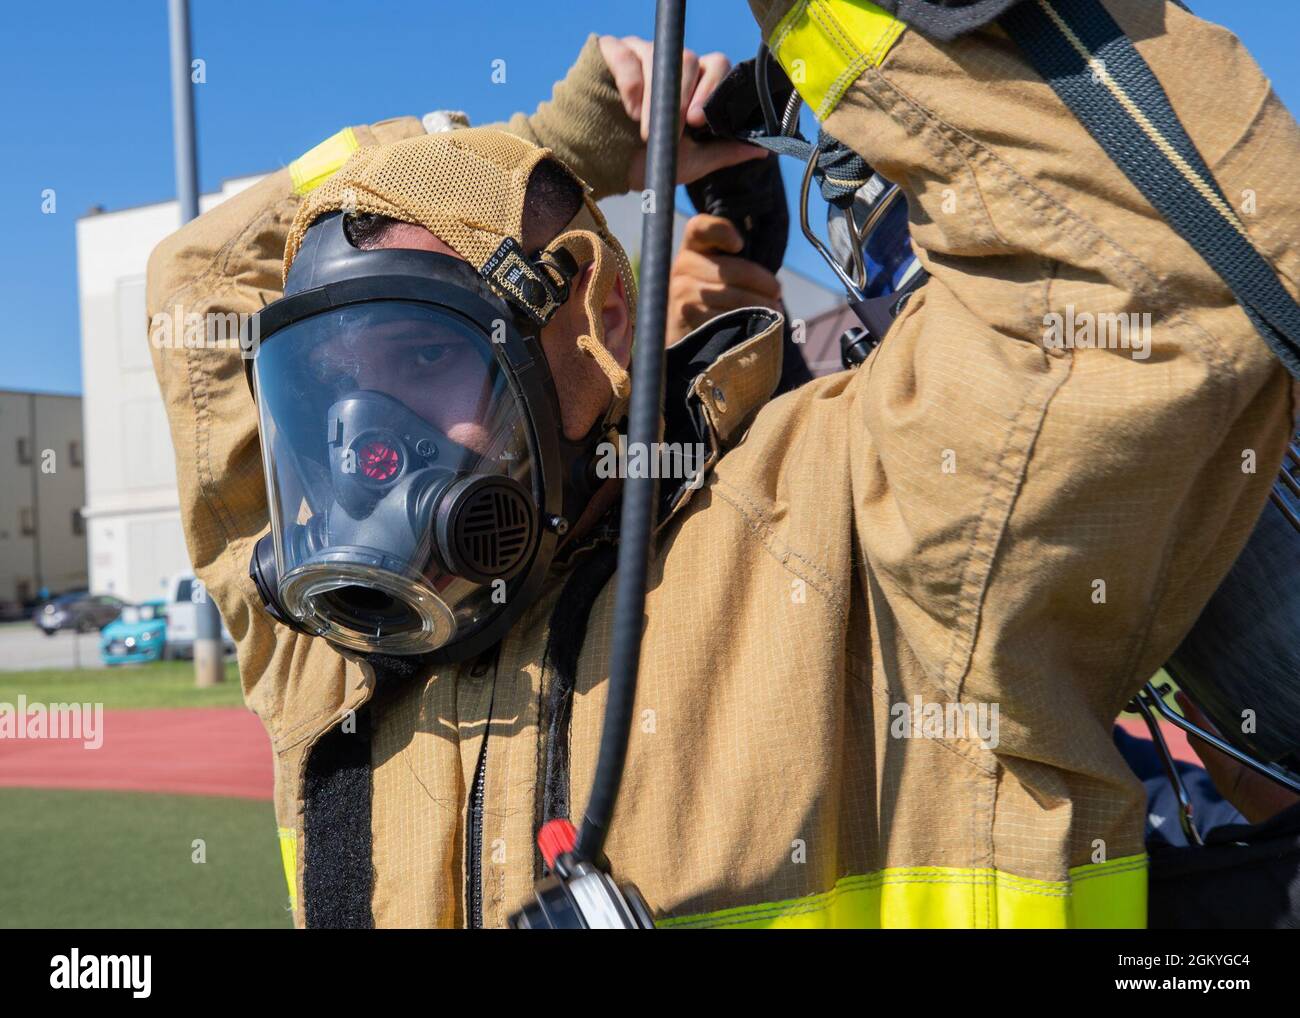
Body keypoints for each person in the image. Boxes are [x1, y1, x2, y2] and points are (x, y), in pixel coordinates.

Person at [147, 1, 1299, 928]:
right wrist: (561, 146)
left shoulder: (844, 525)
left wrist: (820, 20)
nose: (362, 437)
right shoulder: (325, 645)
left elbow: (1145, 278)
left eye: (415, 352)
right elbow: (199, 281)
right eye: (333, 383)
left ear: (597, 318)